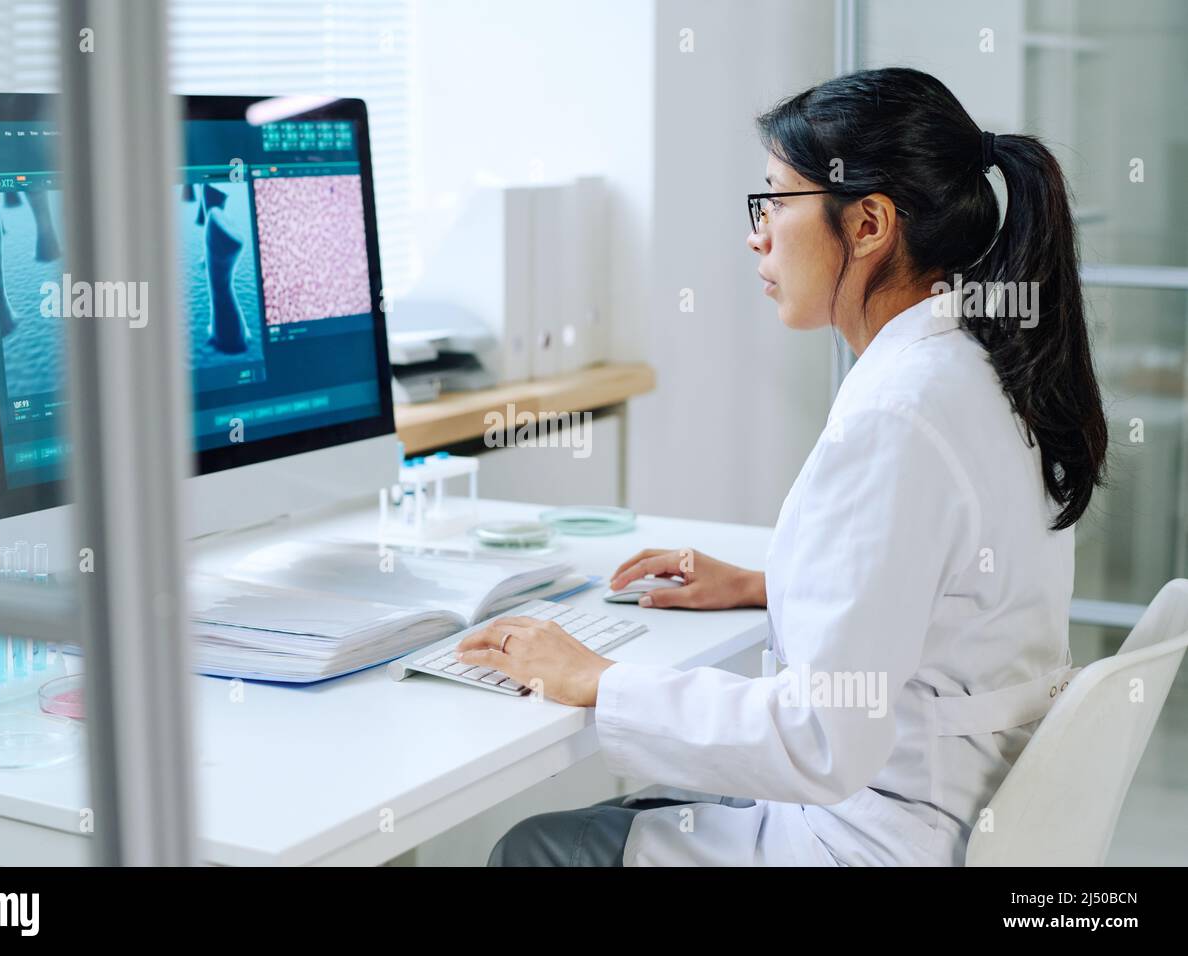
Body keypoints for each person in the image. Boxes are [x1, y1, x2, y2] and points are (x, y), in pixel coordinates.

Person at [458, 67, 1108, 866]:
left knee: (537, 848)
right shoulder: (983, 367)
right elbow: (958, 589)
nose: (756, 234)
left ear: (868, 223)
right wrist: (776, 583)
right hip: (955, 807)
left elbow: (819, 739)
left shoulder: (897, 414)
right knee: (631, 812)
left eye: (775, 200)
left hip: (876, 836)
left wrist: (598, 678)